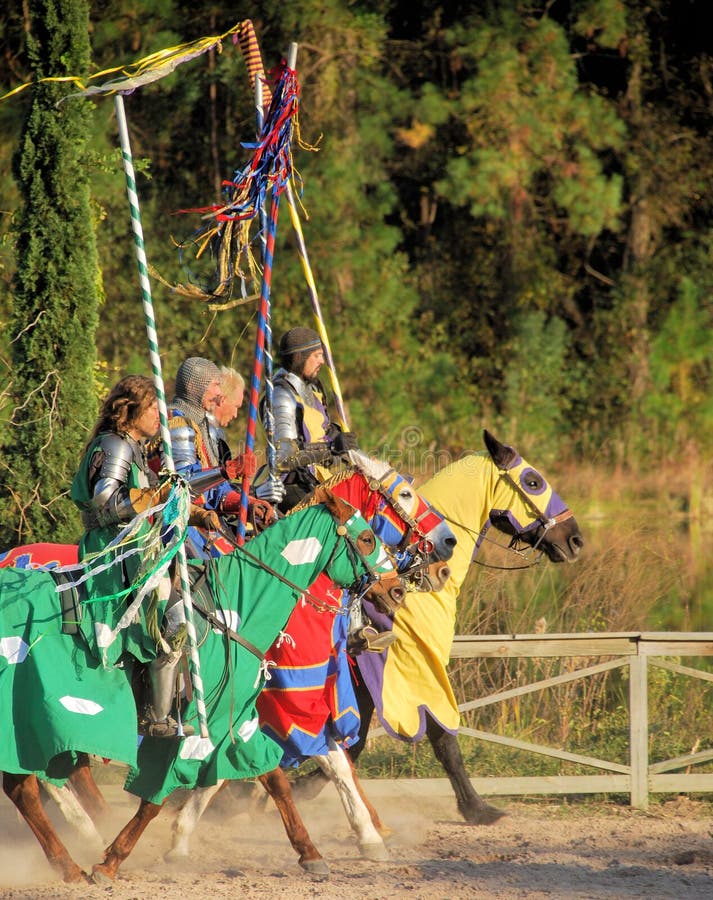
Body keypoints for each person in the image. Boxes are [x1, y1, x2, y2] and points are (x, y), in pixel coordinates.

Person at [70, 375, 222, 738]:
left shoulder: (133, 447)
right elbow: (104, 507)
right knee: (174, 618)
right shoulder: (116, 446)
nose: (160, 414)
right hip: (114, 552)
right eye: (153, 407)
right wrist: (153, 498)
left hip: (136, 548)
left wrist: (220, 477)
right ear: (131, 409)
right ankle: (155, 716)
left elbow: (165, 493)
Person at [168, 358, 278, 551]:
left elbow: (216, 492)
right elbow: (182, 487)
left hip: (207, 521)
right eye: (216, 385)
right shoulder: (178, 425)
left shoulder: (202, 427)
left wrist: (248, 503)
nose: (219, 393)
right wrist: (229, 470)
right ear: (194, 386)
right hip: (181, 524)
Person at [264, 326, 358, 511]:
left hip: (318, 478)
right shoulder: (281, 395)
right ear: (299, 357)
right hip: (291, 484)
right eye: (316, 355)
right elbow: (283, 458)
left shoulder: (313, 391)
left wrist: (342, 444)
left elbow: (324, 434)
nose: (322, 361)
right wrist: (331, 448)